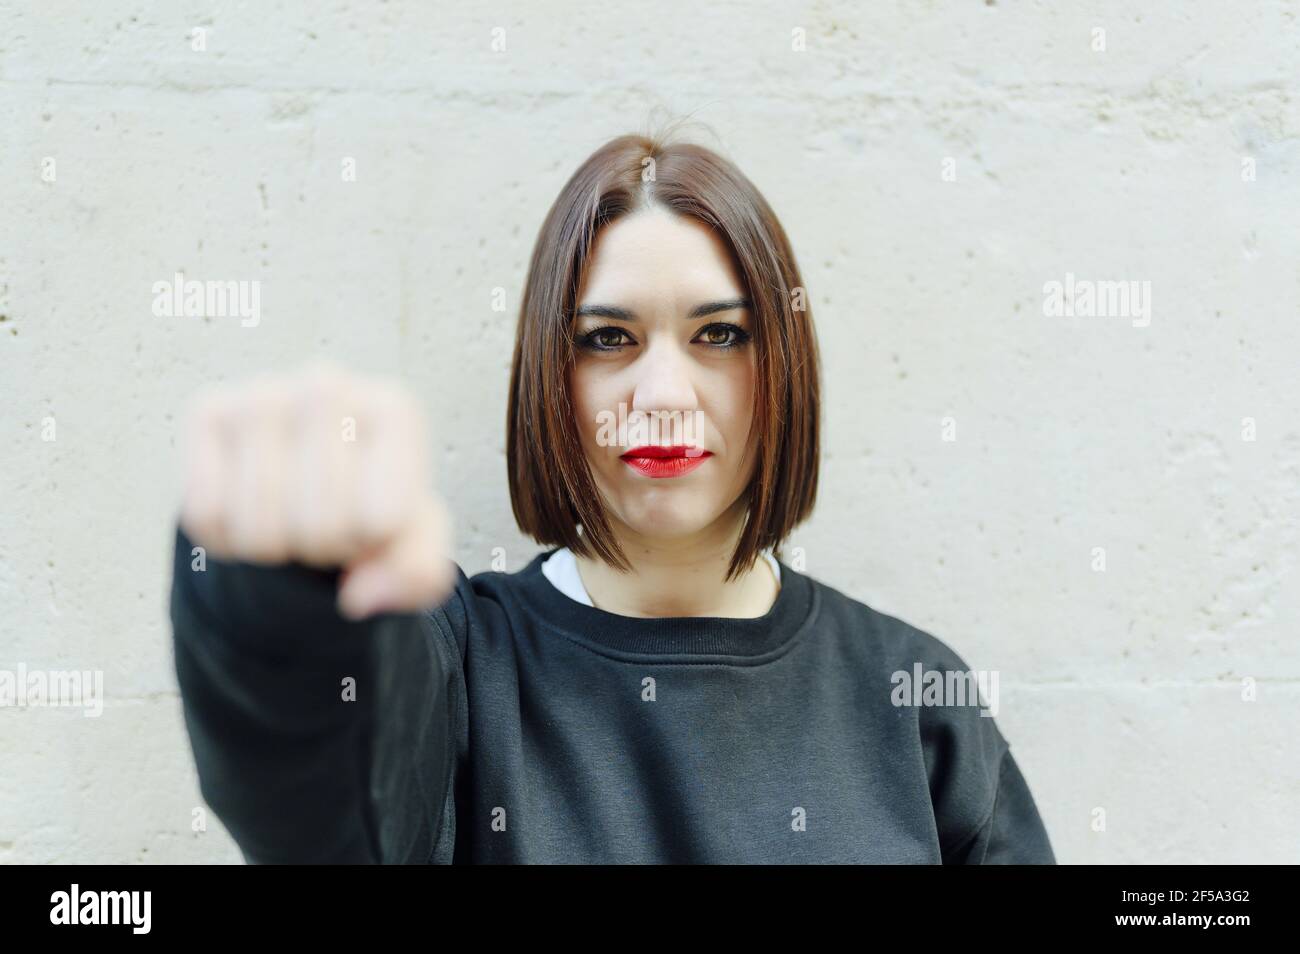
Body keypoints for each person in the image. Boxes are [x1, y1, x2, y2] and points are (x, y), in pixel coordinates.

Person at [169, 130, 1055, 864]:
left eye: (719, 334)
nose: (663, 394)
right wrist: (281, 575)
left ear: (785, 367)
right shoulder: (457, 669)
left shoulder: (916, 699)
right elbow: (319, 778)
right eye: (608, 338)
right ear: (550, 376)